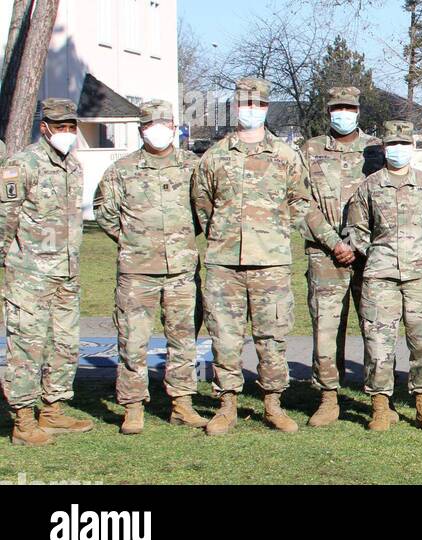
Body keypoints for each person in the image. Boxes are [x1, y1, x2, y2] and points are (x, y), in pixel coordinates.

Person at [191, 77, 310, 435]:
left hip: (270, 263)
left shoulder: (287, 156)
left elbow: (299, 201)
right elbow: (202, 204)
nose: (251, 110)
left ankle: (273, 404)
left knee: (271, 336)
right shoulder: (214, 157)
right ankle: (226, 405)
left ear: (267, 108)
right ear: (234, 106)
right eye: (244, 103)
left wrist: (271, 232)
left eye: (258, 104)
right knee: (225, 337)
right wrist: (225, 233)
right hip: (224, 263)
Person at [94, 99, 208, 434]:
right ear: (141, 129)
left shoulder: (192, 167)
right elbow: (106, 215)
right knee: (132, 342)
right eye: (150, 124)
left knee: (184, 339)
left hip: (181, 271)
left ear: (174, 127)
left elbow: (204, 210)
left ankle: (182, 403)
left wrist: (181, 238)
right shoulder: (121, 170)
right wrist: (134, 242)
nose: (157, 130)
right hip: (137, 273)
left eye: (164, 123)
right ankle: (132, 407)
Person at [0, 98, 95, 445]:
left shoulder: (74, 167)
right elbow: (4, 219)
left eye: (72, 127)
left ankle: (52, 411)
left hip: (66, 273)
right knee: (27, 347)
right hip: (30, 275)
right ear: (45, 128)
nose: (68, 133)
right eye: (61, 127)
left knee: (65, 344)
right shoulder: (20, 166)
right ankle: (23, 421)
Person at [345, 120, 422, 431]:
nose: (398, 150)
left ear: (411, 147)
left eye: (404, 144)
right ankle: (379, 407)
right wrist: (379, 254)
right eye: (392, 145)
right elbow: (356, 229)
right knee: (378, 344)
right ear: (384, 149)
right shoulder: (369, 187)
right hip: (380, 278)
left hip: (421, 278)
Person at [298, 86, 385, 427]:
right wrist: (334, 242)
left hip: (371, 254)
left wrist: (359, 244)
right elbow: (300, 201)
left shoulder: (378, 148)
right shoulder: (310, 149)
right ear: (329, 110)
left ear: (358, 110)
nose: (343, 113)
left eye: (349, 107)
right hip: (326, 254)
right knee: (326, 327)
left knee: (376, 326)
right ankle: (328, 397)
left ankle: (379, 397)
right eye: (338, 108)